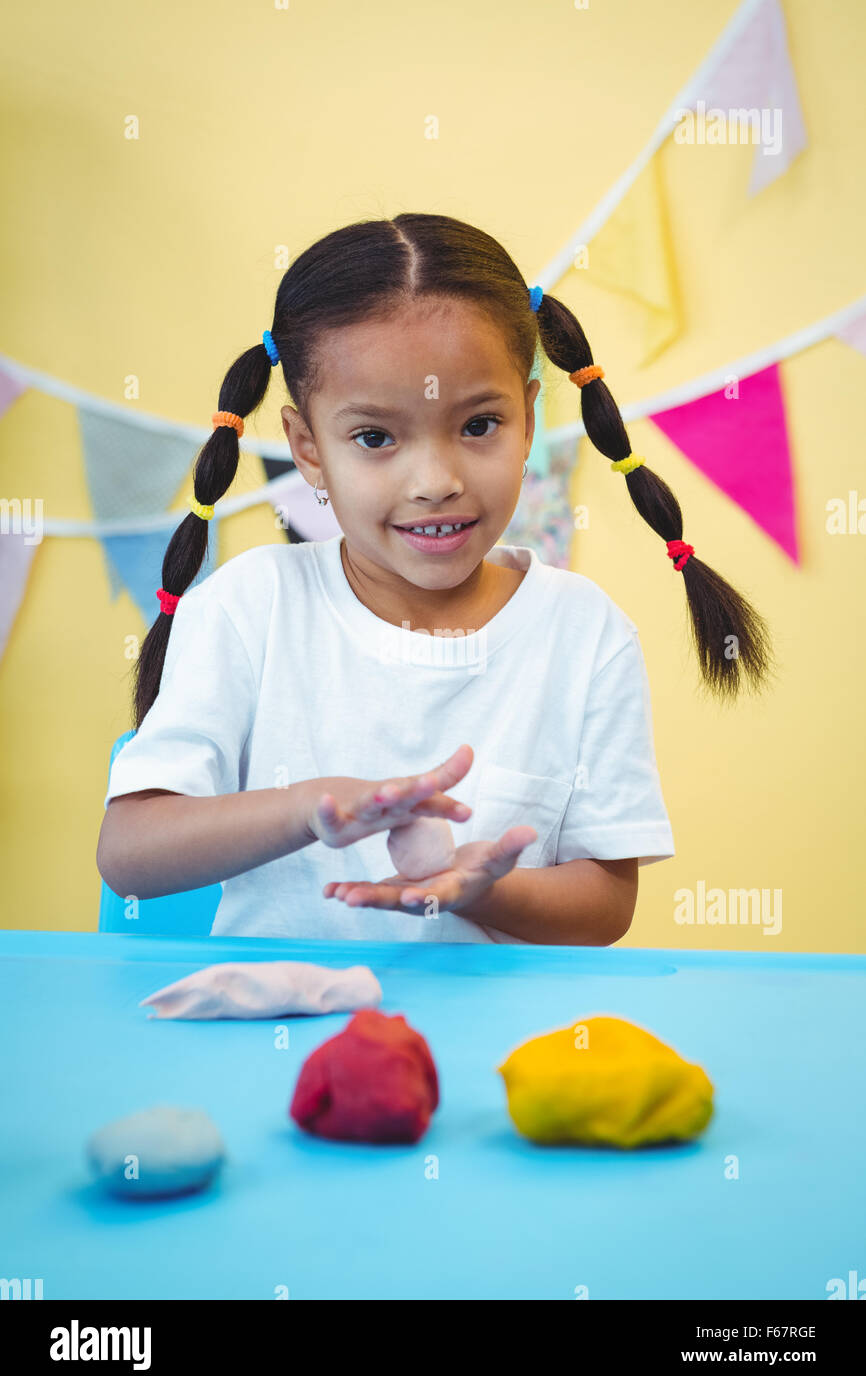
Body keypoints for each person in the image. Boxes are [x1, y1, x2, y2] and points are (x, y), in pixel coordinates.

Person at [96, 213, 773, 945]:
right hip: (283, 1037)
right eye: (375, 438)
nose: (435, 481)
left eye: (479, 425)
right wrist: (307, 807)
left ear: (529, 419)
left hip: (502, 1051)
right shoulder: (248, 606)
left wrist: (477, 892)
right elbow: (131, 854)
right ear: (307, 449)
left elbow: (607, 903)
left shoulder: (586, 633)